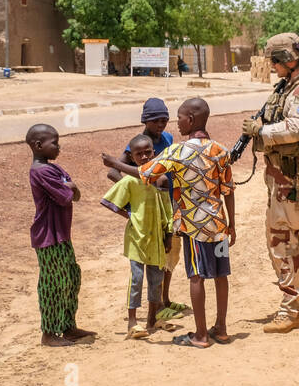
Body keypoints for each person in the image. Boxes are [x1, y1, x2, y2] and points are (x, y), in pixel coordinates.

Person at [103, 98, 235, 349]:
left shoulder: (179, 151)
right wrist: (233, 225)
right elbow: (229, 191)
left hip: (194, 226)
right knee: (221, 275)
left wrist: (115, 164)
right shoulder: (221, 150)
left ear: (192, 119)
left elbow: (146, 172)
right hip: (219, 224)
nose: (177, 122)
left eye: (180, 117)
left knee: (196, 277)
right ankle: (222, 328)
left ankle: (201, 335)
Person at [240, 32, 299, 333]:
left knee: (281, 240)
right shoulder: (287, 87)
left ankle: (290, 310)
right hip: (282, 176)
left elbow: (295, 129)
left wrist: (261, 131)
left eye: (275, 61)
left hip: (290, 178)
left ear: (287, 60)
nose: (273, 67)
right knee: (292, 241)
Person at [107, 98, 184, 314]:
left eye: (164, 120)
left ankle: (165, 300)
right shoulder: (139, 145)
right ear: (145, 120)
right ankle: (156, 307)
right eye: (156, 121)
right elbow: (114, 171)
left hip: (169, 204)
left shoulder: (168, 138)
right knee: (152, 260)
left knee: (171, 255)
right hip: (150, 210)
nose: (161, 125)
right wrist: (137, 196)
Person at [101, 134, 179, 339]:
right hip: (137, 238)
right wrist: (131, 215)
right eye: (139, 154)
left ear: (154, 153)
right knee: (136, 279)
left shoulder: (161, 180)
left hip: (158, 240)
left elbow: (168, 209)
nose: (144, 157)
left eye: (148, 152)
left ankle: (152, 319)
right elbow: (110, 202)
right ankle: (133, 321)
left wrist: (169, 233)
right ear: (132, 157)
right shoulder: (128, 181)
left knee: (156, 280)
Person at [26, 123, 94, 347]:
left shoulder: (53, 169)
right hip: (48, 236)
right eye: (54, 143)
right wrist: (71, 186)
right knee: (53, 283)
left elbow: (75, 193)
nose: (59, 147)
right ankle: (49, 332)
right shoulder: (41, 171)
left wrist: (71, 187)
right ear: (38, 145)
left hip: (61, 235)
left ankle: (67, 326)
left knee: (70, 278)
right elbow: (68, 194)